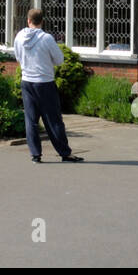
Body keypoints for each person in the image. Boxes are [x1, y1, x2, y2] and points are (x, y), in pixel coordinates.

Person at [13, 9, 83, 163]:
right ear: (42, 21)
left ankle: (35, 155)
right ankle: (65, 153)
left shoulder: (19, 37)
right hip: (45, 82)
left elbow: (18, 57)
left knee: (31, 120)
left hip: (26, 82)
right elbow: (59, 60)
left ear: (28, 20)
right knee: (53, 119)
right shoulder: (47, 38)